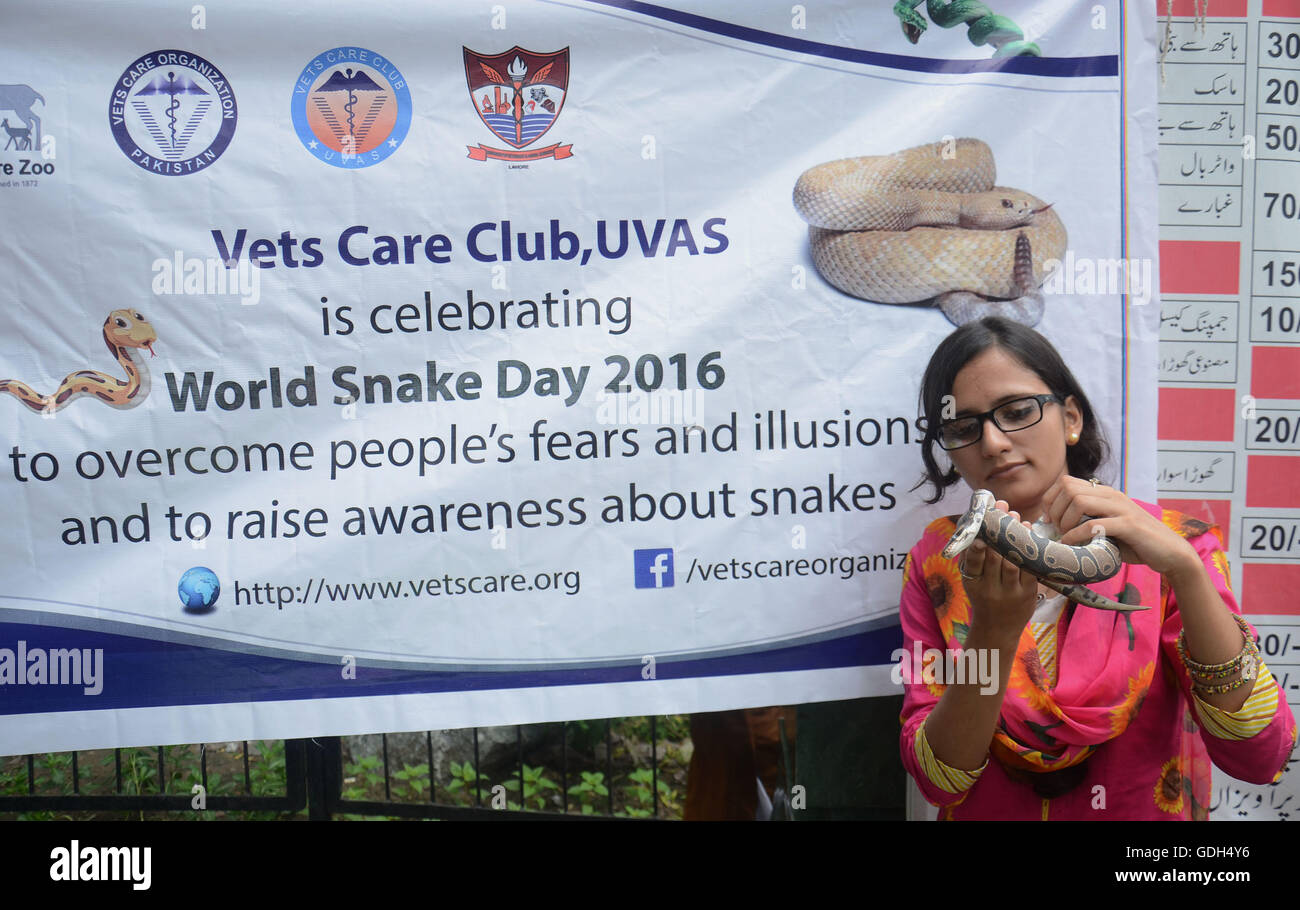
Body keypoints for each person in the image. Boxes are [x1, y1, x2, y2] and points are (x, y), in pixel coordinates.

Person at [898, 317, 1296, 819]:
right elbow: (940, 780)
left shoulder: (1169, 546)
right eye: (963, 428)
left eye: (1017, 411)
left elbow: (1259, 753)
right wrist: (993, 632)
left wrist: (1186, 573)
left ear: (1070, 419)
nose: (994, 443)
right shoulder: (941, 560)